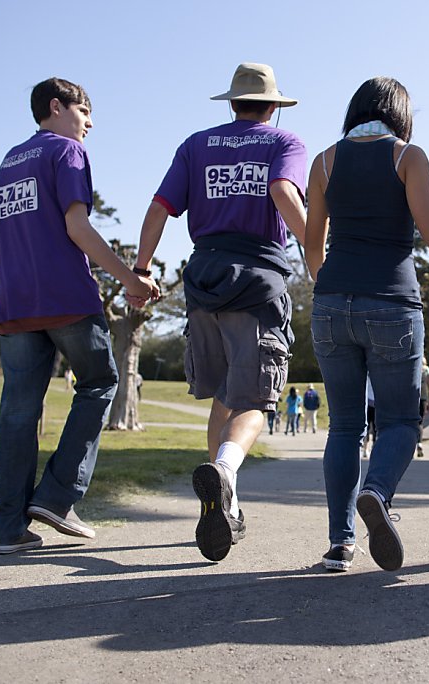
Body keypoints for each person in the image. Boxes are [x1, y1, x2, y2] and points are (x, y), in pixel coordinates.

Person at [305, 77, 429, 573]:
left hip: (331, 302)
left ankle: (339, 544)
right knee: (399, 420)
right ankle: (376, 493)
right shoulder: (407, 157)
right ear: (401, 114)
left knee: (345, 427)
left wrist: (332, 288)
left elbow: (312, 246)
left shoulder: (324, 161)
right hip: (392, 303)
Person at [133, 63, 307, 562]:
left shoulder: (196, 144)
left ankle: (226, 506)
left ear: (232, 103)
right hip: (255, 281)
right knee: (255, 399)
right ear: (273, 107)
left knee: (223, 396)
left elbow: (159, 207)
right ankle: (226, 475)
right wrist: (319, 252)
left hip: (204, 279)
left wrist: (142, 269)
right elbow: (283, 193)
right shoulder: (284, 143)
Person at [0, 77, 158, 555]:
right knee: (100, 380)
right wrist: (129, 277)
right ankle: (58, 497)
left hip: (15, 302)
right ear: (57, 107)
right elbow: (77, 227)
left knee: (19, 411)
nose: (90, 123)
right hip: (64, 296)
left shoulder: (8, 162)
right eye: (85, 111)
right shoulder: (66, 152)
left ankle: (6, 529)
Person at [416, 357, 429, 457]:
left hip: (413, 399)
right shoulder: (427, 371)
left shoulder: (414, 368)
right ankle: (419, 442)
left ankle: (414, 443)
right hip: (423, 398)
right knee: (420, 422)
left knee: (413, 422)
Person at [362, 375, 376, 458]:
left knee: (367, 428)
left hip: (368, 402)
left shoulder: (366, 375)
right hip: (374, 403)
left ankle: (365, 449)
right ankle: (371, 448)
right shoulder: (377, 374)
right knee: (375, 428)